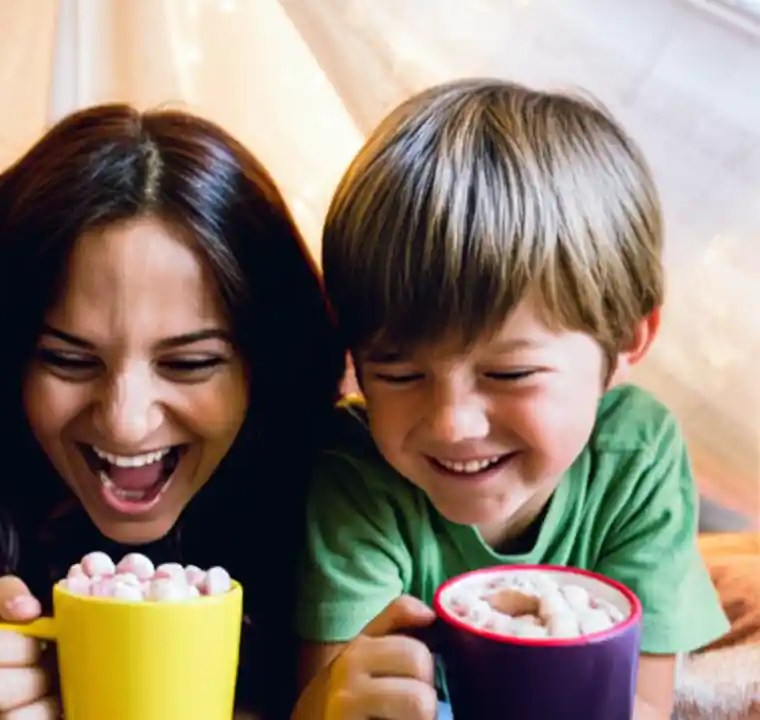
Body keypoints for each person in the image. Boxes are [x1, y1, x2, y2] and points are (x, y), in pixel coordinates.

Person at [0, 103, 341, 718]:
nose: (126, 420)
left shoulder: (345, 502)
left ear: (269, 362)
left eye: (188, 364)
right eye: (69, 361)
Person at [292, 79, 729, 720]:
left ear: (627, 338)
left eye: (510, 374)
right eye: (399, 373)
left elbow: (641, 704)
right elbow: (341, 697)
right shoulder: (357, 477)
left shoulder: (637, 455)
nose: (452, 424)